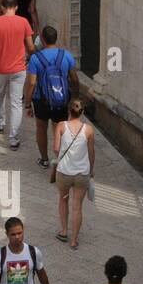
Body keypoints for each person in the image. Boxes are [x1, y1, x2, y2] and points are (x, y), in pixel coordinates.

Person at [0, 0, 35, 149]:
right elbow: (30, 46)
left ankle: (0, 122)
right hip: (19, 69)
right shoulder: (24, 22)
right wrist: (32, 56)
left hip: (0, 68)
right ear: (16, 7)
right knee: (15, 103)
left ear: (2, 6)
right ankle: (13, 138)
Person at [25, 25, 78, 167]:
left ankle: (44, 159)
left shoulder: (35, 58)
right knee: (59, 129)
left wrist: (27, 103)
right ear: (56, 38)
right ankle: (61, 160)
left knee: (41, 128)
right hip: (61, 98)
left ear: (42, 39)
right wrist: (74, 98)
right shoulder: (66, 55)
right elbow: (74, 79)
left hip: (40, 100)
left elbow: (31, 83)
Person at [53, 98, 95, 250]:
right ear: (82, 112)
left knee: (63, 200)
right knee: (77, 206)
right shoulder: (88, 130)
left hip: (64, 171)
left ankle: (64, 231)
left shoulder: (61, 126)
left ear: (68, 111)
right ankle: (74, 240)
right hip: (81, 173)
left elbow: (56, 149)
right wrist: (91, 171)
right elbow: (91, 153)